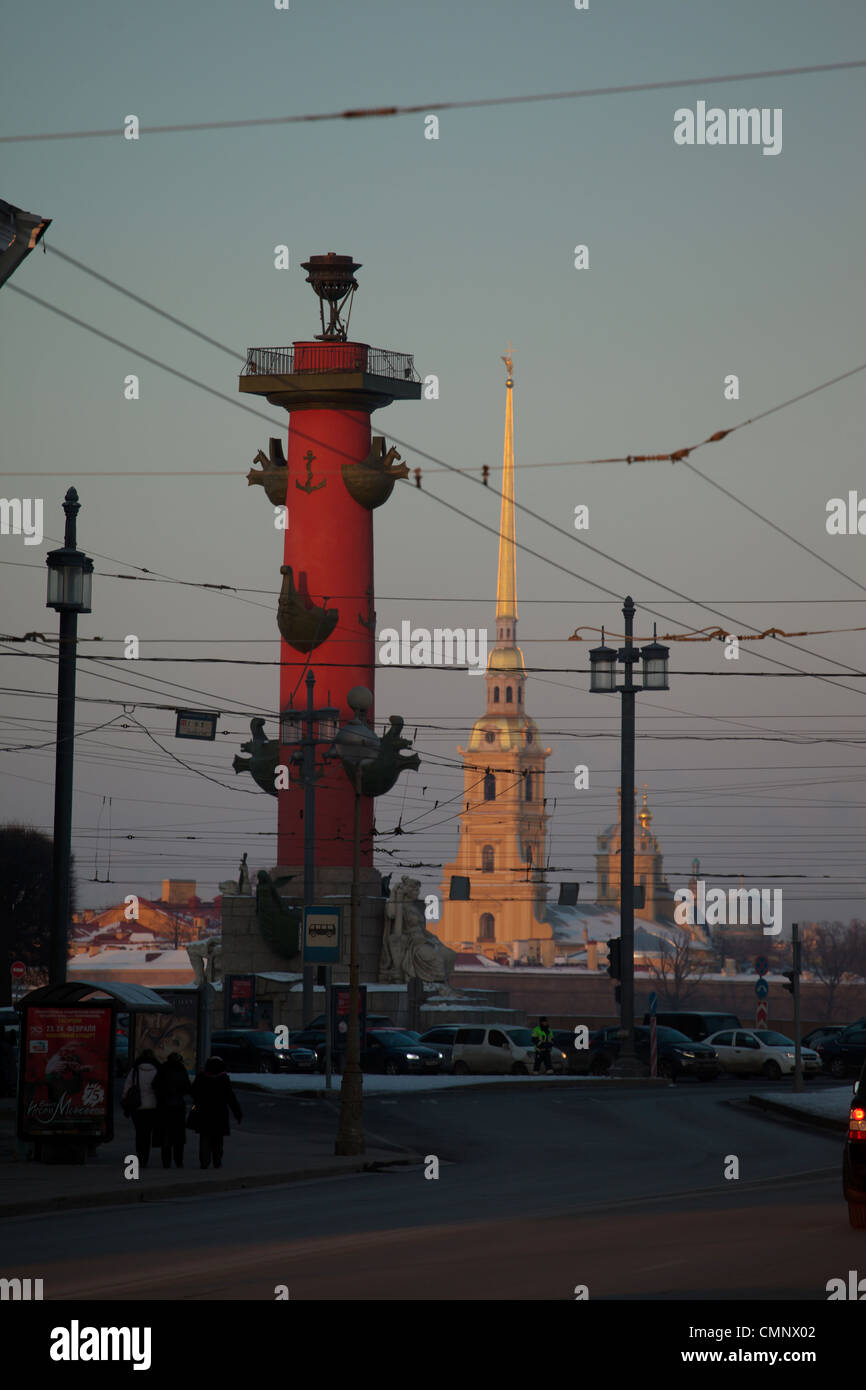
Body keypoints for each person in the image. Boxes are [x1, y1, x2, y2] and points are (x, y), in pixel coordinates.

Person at [191, 1055, 242, 1170]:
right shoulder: (223, 1079)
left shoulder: (201, 1077)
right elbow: (231, 1098)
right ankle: (217, 1161)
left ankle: (204, 1161)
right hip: (220, 1113)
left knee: (205, 1137)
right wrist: (237, 1113)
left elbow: (193, 1092)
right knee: (218, 1139)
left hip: (203, 1112)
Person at [153, 1051, 192, 1169]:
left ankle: (166, 1161)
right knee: (179, 1136)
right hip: (178, 1107)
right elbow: (187, 1087)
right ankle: (178, 1161)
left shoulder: (162, 1070)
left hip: (164, 1107)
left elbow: (155, 1085)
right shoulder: (181, 1070)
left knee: (166, 1134)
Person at [122, 1049, 160, 1166]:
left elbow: (127, 1088)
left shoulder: (134, 1071)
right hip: (152, 1106)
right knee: (148, 1133)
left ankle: (140, 1154)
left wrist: (125, 1101)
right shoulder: (157, 1070)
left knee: (139, 1132)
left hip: (137, 1106)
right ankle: (145, 1157)